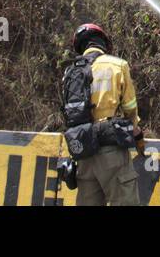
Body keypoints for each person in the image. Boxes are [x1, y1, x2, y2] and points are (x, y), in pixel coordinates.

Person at [60, 21, 145, 206]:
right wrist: (136, 133)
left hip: (84, 155)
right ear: (103, 43)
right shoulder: (117, 65)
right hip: (111, 150)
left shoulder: (70, 72)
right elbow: (130, 108)